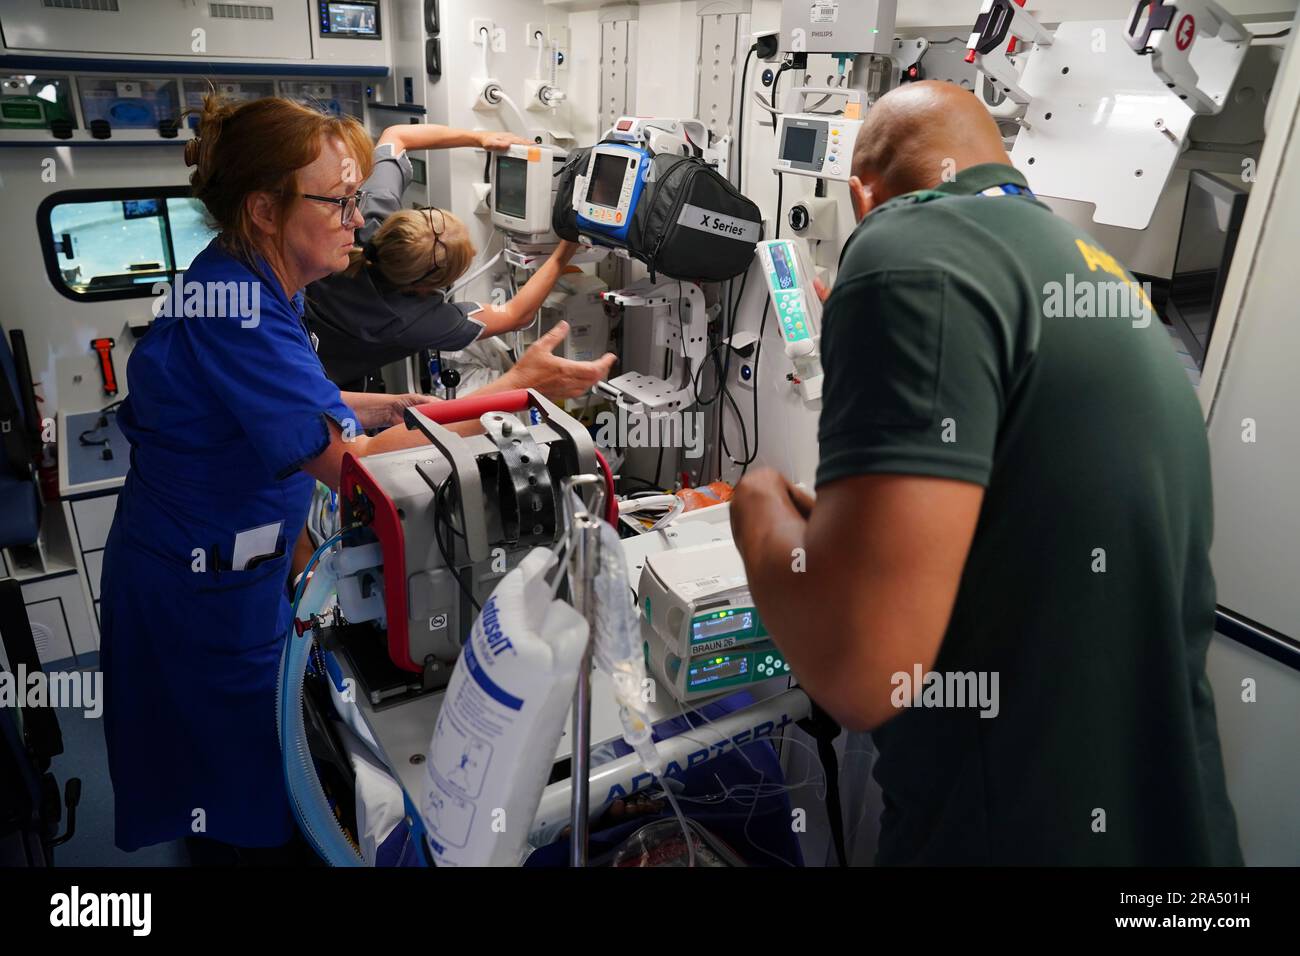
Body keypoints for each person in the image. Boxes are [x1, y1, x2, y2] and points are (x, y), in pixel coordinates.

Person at [728, 81, 1241, 865]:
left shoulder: (907, 250)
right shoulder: (1110, 286)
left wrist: (756, 506)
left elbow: (867, 674)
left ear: (863, 197)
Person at [97, 95, 603, 864]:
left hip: (235, 559)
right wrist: (510, 397)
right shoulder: (239, 311)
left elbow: (320, 406)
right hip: (200, 588)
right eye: (338, 202)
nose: (357, 221)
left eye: (357, 198)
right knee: (242, 797)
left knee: (252, 764)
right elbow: (352, 467)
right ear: (265, 210)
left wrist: (416, 405)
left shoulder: (262, 283)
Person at [305, 122, 612, 394]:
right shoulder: (410, 319)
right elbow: (516, 316)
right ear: (426, 288)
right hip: (315, 376)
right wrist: (567, 243)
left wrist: (482, 138)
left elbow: (396, 135)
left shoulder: (371, 216)